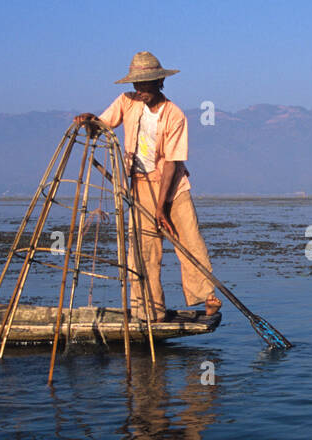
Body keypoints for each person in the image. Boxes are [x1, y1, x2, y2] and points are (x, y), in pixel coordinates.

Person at [76, 51, 221, 321]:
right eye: (137, 84)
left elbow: (170, 164)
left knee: (190, 243)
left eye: (145, 84)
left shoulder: (174, 115)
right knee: (143, 252)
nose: (140, 90)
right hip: (140, 186)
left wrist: (161, 208)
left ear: (158, 82)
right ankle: (149, 311)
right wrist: (89, 121)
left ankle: (208, 298)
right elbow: (103, 125)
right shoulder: (127, 102)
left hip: (173, 188)